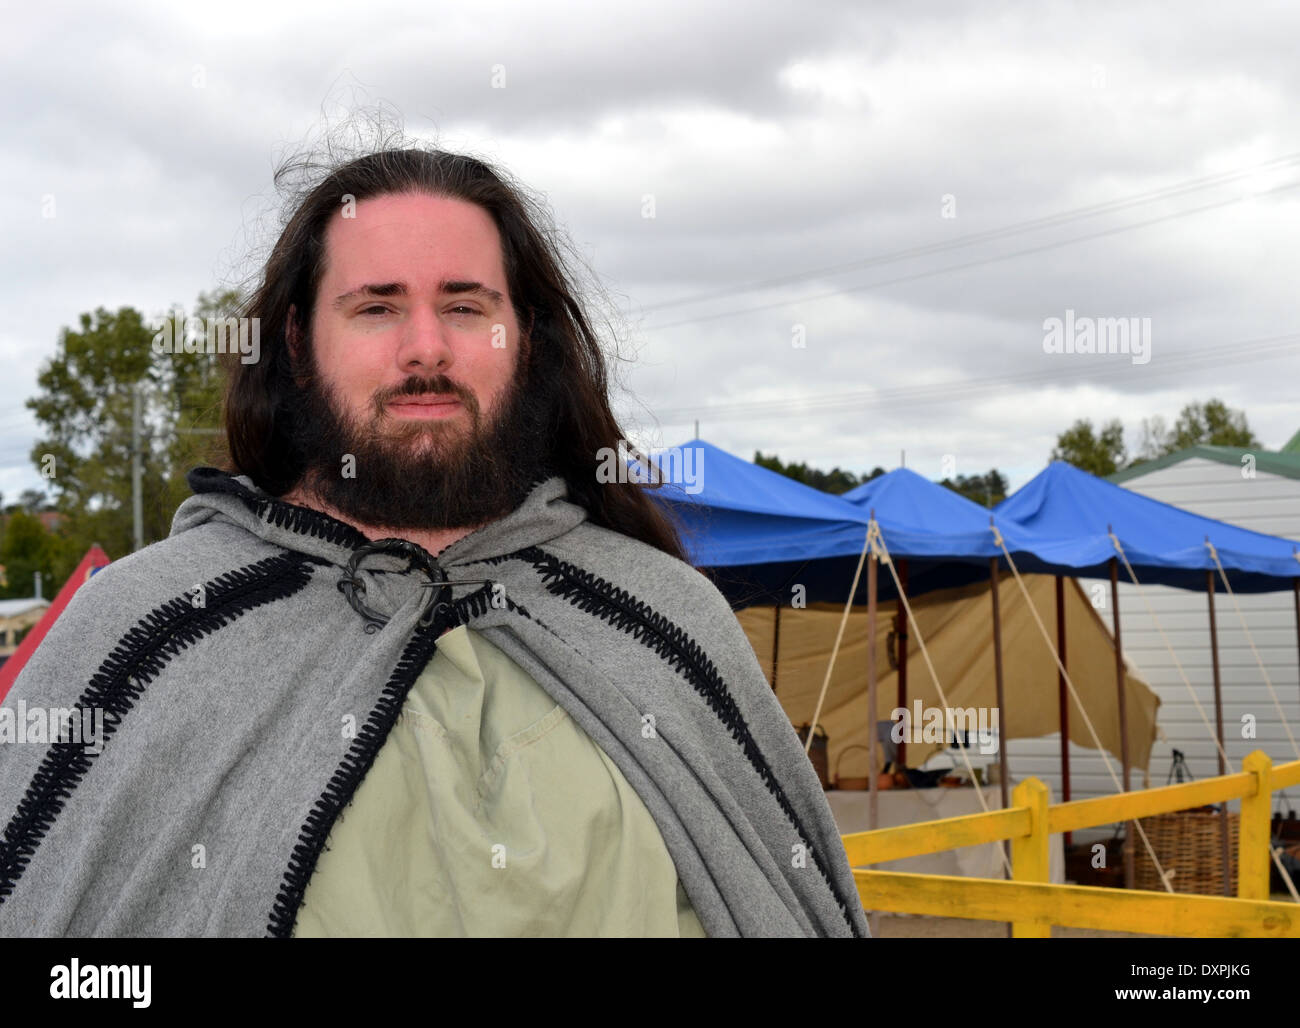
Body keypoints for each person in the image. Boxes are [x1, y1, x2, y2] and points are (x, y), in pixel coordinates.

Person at [0, 145, 869, 938]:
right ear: (299, 344)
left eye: (465, 305)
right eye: (376, 308)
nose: (426, 349)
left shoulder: (666, 617)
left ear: (525, 337)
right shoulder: (143, 633)